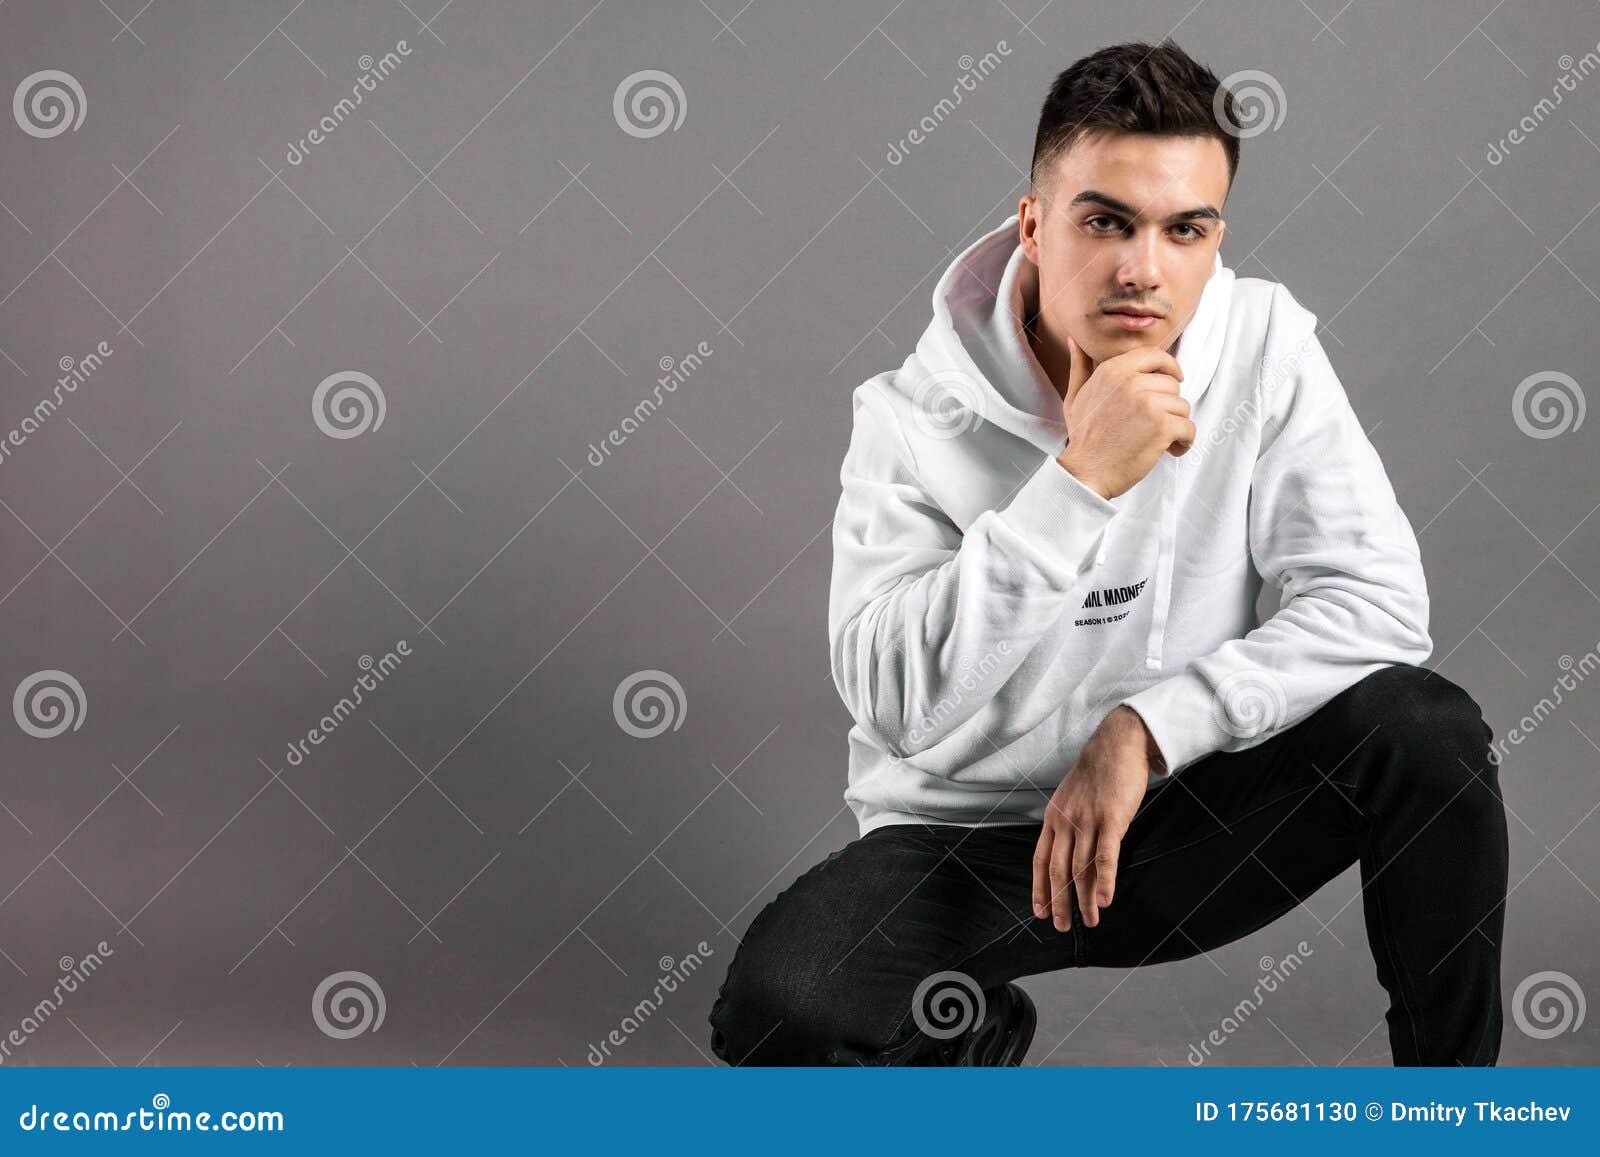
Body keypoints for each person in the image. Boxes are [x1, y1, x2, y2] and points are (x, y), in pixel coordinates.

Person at [707, 39, 1507, 1067]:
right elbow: (898, 705)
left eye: (1186, 230)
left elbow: (1377, 605)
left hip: (1189, 822)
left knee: (1423, 728)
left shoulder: (1262, 344)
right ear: (1035, 225)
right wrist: (1077, 483)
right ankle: (973, 1038)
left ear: (1216, 236)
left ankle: (1445, 1117)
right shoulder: (908, 417)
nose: (1144, 267)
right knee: (782, 1008)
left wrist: (1146, 728)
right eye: (1106, 221)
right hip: (971, 851)